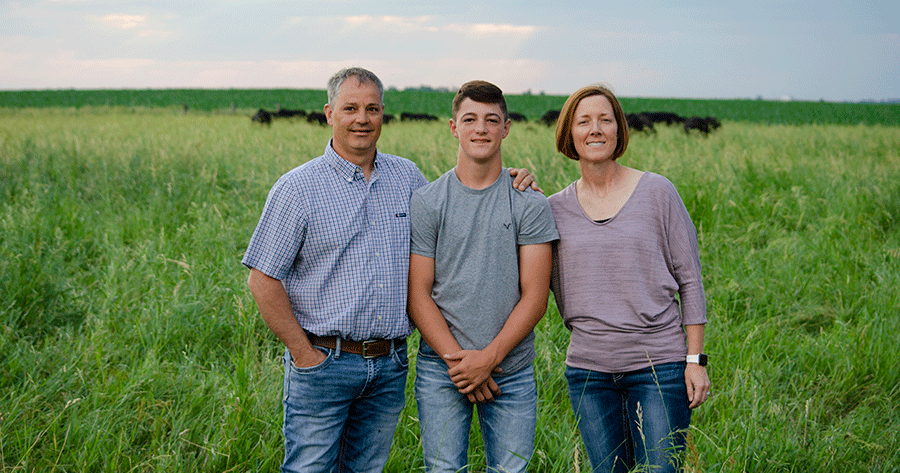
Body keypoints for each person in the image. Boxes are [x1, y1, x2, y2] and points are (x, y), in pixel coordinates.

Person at [242, 67, 538, 473]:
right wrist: (303, 353)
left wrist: (513, 178)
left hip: (387, 366)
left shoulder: (407, 179)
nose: (361, 119)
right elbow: (262, 279)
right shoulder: (298, 188)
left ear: (383, 114)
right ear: (329, 113)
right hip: (324, 360)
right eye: (350, 109)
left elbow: (466, 194)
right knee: (309, 467)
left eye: (371, 109)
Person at [548, 84, 710, 473]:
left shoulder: (658, 192)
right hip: (589, 371)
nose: (595, 129)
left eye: (605, 120)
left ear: (619, 130)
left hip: (659, 367)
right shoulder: (551, 208)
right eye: (584, 121)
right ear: (570, 134)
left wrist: (695, 360)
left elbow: (690, 279)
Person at [408, 80, 559, 473]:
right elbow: (418, 294)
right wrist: (461, 365)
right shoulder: (428, 201)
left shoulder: (530, 202)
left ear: (506, 128)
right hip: (442, 370)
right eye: (470, 119)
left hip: (510, 369)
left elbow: (535, 297)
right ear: (454, 127)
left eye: (492, 120)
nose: (481, 129)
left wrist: (488, 360)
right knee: (443, 470)